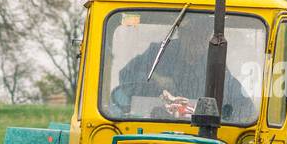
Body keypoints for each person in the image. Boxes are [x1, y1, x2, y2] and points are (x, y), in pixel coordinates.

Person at [109, 19, 254, 123]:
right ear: (182, 34)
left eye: (202, 35)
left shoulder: (215, 63)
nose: (197, 40)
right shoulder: (158, 53)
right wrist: (156, 80)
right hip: (153, 124)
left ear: (207, 38)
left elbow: (243, 104)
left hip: (197, 131)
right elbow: (126, 74)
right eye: (192, 34)